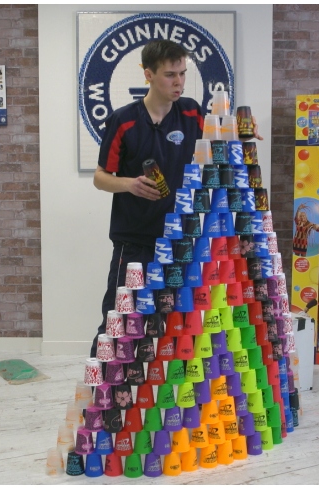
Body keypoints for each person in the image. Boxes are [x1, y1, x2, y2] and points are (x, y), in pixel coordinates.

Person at [90, 39, 260, 357]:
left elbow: (216, 137)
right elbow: (101, 178)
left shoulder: (191, 112)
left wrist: (241, 134)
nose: (179, 81)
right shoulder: (124, 121)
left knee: (186, 323)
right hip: (136, 239)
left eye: (182, 73)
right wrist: (129, 184)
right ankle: (103, 402)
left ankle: (184, 402)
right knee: (118, 321)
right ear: (148, 74)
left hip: (183, 241)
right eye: (170, 74)